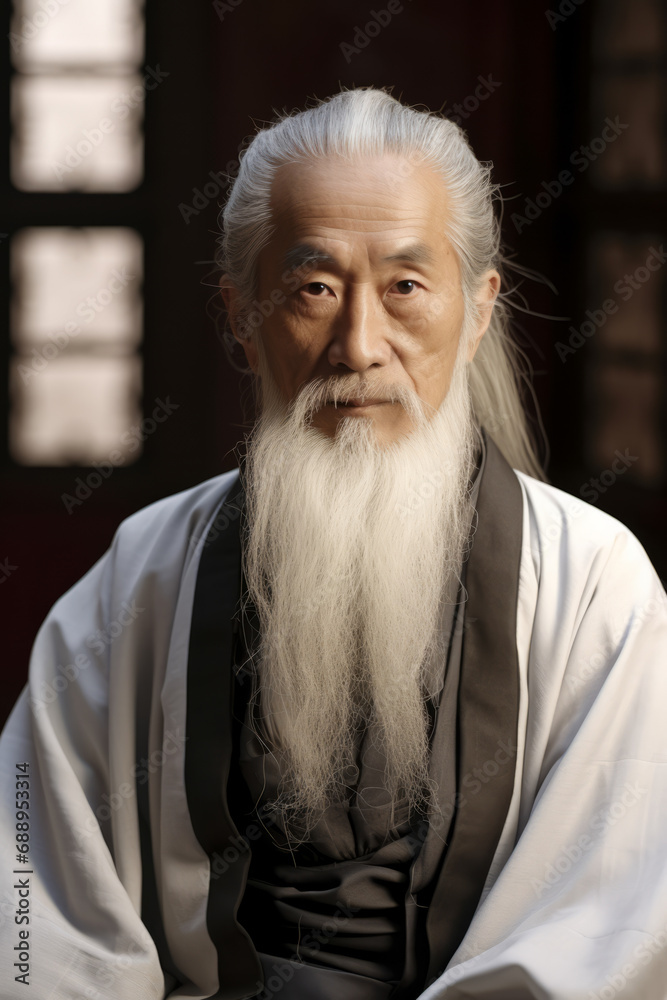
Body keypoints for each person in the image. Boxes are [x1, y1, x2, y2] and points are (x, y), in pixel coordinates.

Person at [1, 86, 666, 1000]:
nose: (358, 345)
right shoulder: (145, 573)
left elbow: (607, 923)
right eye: (312, 288)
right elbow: (31, 891)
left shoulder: (594, 585)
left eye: (405, 287)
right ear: (240, 314)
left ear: (476, 311)